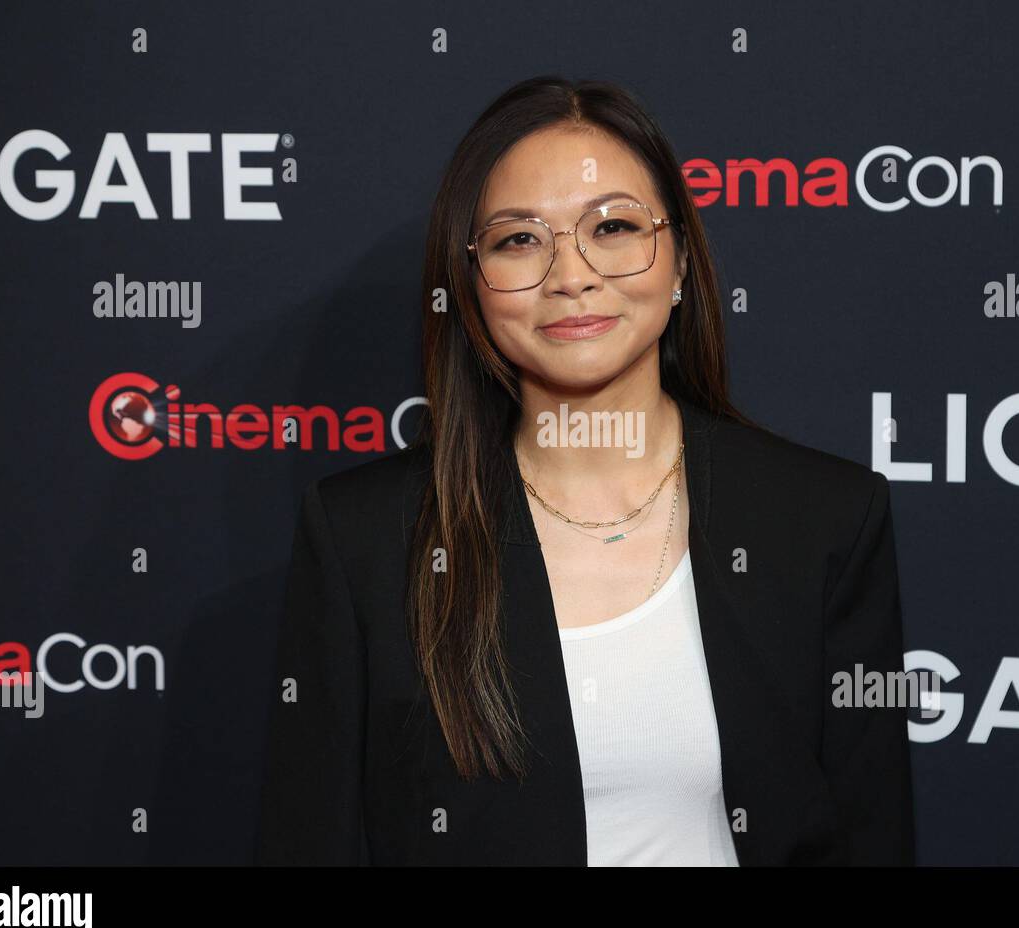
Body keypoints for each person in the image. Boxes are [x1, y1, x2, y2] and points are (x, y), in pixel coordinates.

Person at [255, 75, 915, 866]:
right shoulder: (366, 539)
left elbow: (870, 835)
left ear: (678, 264)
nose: (571, 275)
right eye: (519, 239)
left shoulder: (823, 519)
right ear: (470, 290)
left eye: (613, 227)